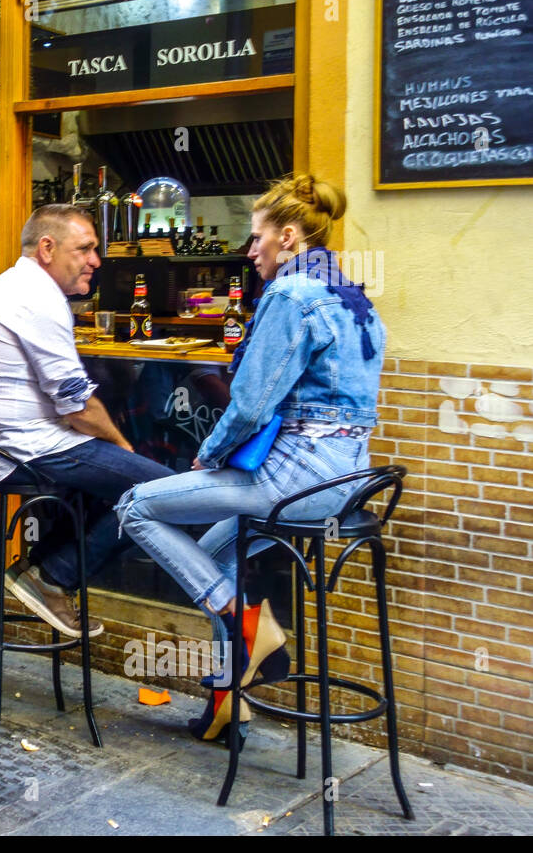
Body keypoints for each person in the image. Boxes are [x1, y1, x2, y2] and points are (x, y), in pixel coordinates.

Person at [117, 174, 385, 743]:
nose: (250, 249)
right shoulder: (352, 295)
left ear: (288, 237)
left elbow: (250, 404)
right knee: (216, 550)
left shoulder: (291, 295)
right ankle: (225, 700)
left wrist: (205, 458)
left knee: (136, 506)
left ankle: (247, 626)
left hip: (296, 479)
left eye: (257, 237)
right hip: (347, 480)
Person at [0, 204, 172, 637]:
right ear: (47, 248)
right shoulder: (36, 298)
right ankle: (52, 578)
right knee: (163, 492)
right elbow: (77, 407)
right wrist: (123, 450)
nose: (96, 260)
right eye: (85, 249)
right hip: (18, 451)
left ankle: (43, 571)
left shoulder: (16, 287)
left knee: (118, 486)